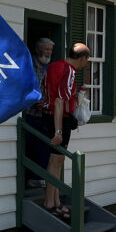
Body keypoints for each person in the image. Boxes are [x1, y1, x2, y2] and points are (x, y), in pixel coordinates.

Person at [42, 43, 91, 219]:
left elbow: (48, 93)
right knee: (56, 161)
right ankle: (49, 202)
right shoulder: (69, 71)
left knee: (57, 160)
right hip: (59, 118)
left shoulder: (53, 66)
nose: (86, 63)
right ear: (82, 58)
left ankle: (56, 201)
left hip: (48, 115)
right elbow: (59, 102)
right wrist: (59, 131)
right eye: (87, 59)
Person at [23, 37, 55, 187]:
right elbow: (23, 86)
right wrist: (36, 100)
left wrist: (45, 102)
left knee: (43, 146)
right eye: (46, 49)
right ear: (38, 50)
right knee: (27, 147)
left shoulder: (48, 68)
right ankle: (28, 179)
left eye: (50, 50)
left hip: (41, 115)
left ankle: (37, 178)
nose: (49, 53)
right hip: (26, 114)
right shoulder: (29, 64)